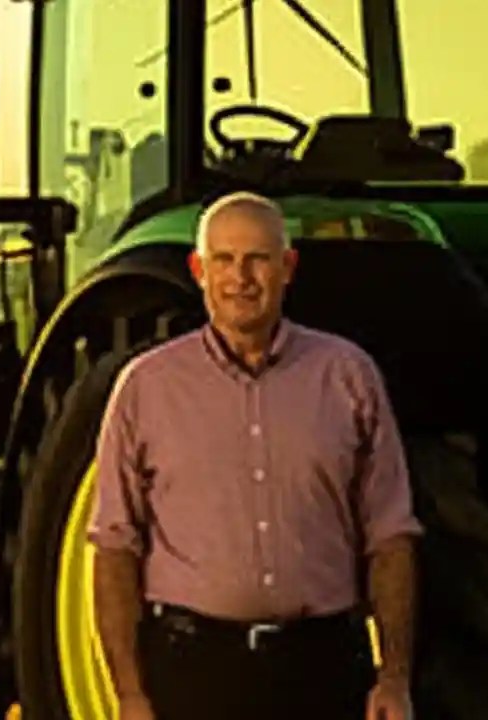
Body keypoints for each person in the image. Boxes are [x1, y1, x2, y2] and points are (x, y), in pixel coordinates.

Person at [88, 191, 422, 720]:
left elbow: (390, 534)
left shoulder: (347, 377)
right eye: (223, 260)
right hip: (195, 672)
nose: (240, 278)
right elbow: (114, 547)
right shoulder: (145, 389)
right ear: (198, 270)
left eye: (257, 260)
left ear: (287, 268)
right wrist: (130, 694)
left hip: (320, 667)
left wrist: (395, 679)